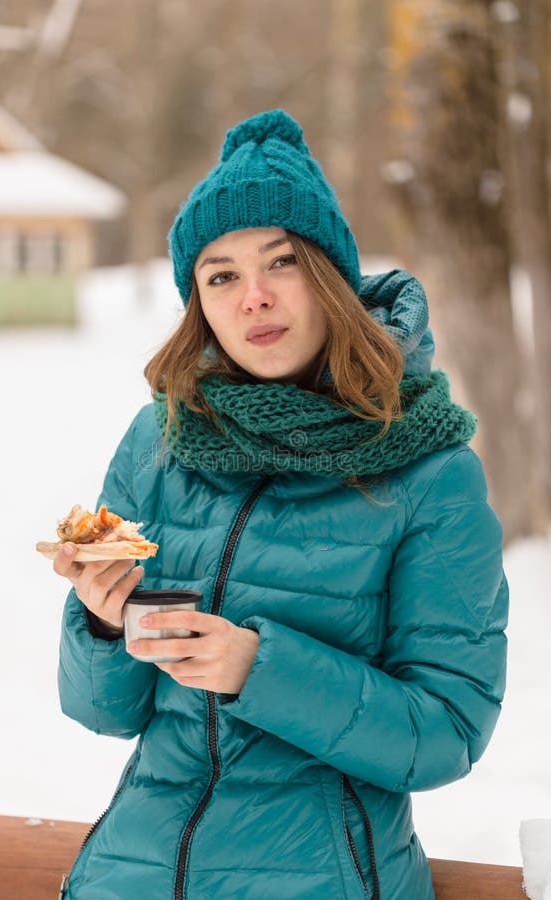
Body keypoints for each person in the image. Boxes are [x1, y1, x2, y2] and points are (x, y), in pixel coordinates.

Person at [54, 109, 508, 900]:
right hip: (131, 875)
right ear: (199, 301)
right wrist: (101, 622)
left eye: (282, 263)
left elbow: (447, 733)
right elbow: (105, 714)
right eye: (221, 275)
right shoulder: (160, 440)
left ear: (331, 276)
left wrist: (258, 670)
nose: (254, 298)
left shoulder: (431, 472)